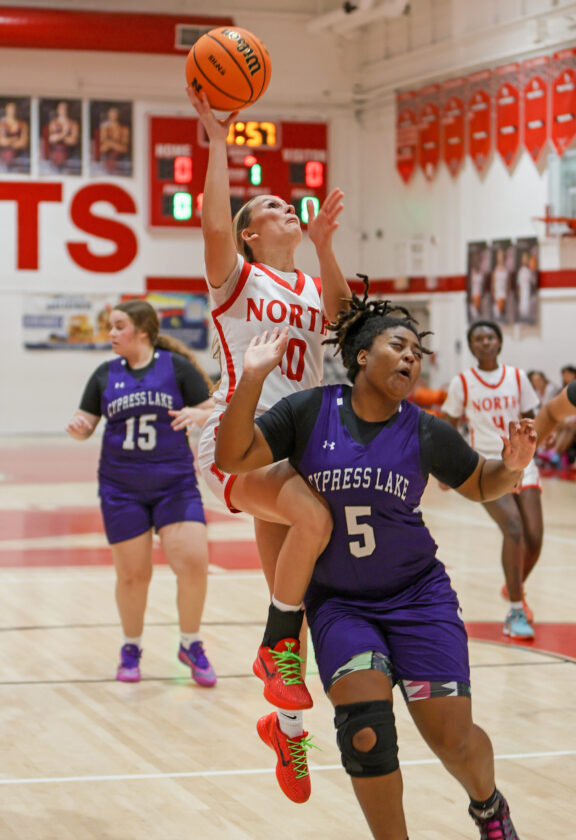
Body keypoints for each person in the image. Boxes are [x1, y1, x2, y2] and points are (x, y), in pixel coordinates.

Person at [213, 285, 533, 840]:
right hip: (341, 605)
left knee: (452, 739)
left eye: (417, 351)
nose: (411, 356)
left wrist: (510, 468)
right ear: (362, 355)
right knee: (365, 731)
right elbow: (232, 457)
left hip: (417, 598)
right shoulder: (310, 411)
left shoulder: (426, 430)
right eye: (399, 345)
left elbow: (482, 483)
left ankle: (488, 807)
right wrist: (254, 378)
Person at [186, 84, 351, 804]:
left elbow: (345, 322)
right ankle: (271, 658)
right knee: (313, 522)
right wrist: (218, 138)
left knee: (301, 594)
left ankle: (284, 726)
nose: (288, 208)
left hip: (300, 444)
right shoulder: (238, 277)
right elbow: (213, 227)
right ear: (253, 235)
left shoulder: (311, 287)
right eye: (274, 210)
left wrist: (326, 250)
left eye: (293, 206)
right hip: (243, 439)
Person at [66, 300, 217, 687]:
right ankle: (131, 647)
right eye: (111, 327)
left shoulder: (176, 368)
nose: (112, 334)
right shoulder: (104, 374)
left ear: (143, 331)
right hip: (122, 488)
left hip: (174, 483)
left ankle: (190, 643)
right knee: (133, 575)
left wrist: (200, 415)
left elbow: (214, 409)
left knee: (195, 562)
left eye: (118, 326)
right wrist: (81, 427)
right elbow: (87, 425)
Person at [440, 320, 542, 639]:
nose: (485, 342)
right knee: (513, 529)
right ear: (471, 347)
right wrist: (445, 466)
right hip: (486, 466)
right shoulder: (463, 382)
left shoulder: (517, 377)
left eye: (490, 337)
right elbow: (447, 423)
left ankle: (512, 583)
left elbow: (532, 417)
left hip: (523, 462)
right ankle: (515, 610)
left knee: (534, 538)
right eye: (478, 338)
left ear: (499, 342)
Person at [48, 100, 80, 170]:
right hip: (55, 154)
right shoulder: (53, 123)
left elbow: (73, 141)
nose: (63, 111)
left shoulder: (73, 123)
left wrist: (59, 136)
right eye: (61, 108)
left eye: (65, 109)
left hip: (70, 155)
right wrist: (64, 133)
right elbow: (51, 139)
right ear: (58, 110)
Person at [98, 106, 131, 174]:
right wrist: (116, 145)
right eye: (111, 114)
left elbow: (124, 148)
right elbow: (102, 148)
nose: (113, 116)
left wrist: (110, 143)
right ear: (108, 115)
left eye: (115, 114)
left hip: (121, 160)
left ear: (118, 115)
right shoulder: (104, 129)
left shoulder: (124, 129)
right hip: (106, 160)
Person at [0, 101, 29, 171]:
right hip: (3, 158)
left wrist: (8, 141)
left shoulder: (22, 125)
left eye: (13, 109)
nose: (12, 111)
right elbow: (2, 141)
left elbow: (23, 143)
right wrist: (14, 139)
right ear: (6, 110)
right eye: (10, 109)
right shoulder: (1, 124)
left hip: (18, 158)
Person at [491, 248, 509, 320]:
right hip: (497, 297)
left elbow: (508, 285)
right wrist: (495, 297)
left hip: (504, 297)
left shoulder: (506, 270)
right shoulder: (495, 270)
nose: (500, 257)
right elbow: (492, 285)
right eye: (499, 255)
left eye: (502, 255)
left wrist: (506, 297)